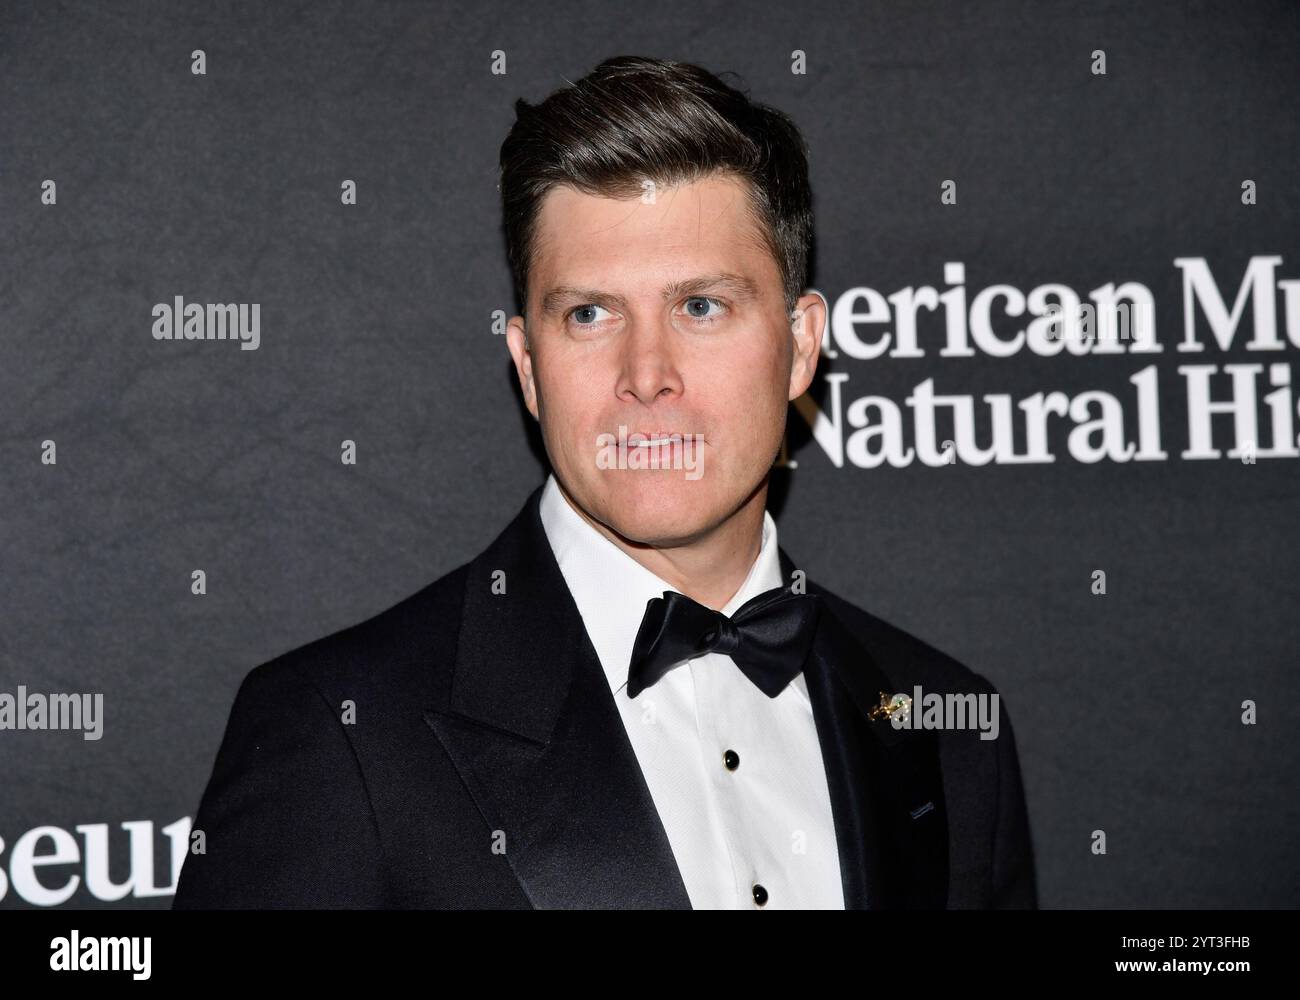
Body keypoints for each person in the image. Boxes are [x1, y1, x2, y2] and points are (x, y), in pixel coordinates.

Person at [172, 55, 1036, 910]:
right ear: (529, 366)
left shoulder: (948, 727)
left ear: (803, 346)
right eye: (590, 314)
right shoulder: (342, 733)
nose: (647, 373)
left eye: (701, 306)